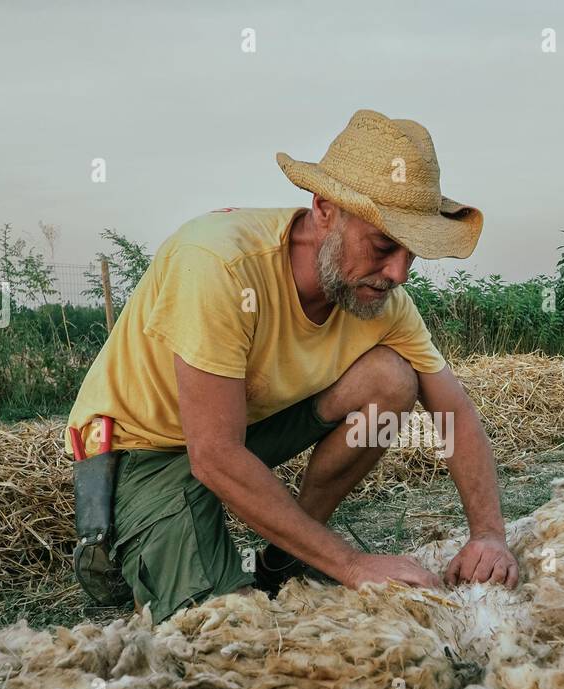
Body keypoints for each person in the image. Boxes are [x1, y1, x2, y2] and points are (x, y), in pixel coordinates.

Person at [67, 109, 519, 624]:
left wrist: (488, 535)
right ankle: (129, 545)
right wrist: (352, 565)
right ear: (325, 209)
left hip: (244, 430)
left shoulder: (378, 299)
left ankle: (288, 559)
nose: (398, 273)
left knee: (392, 379)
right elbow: (212, 455)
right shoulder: (217, 265)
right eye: (383, 246)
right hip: (146, 451)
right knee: (230, 632)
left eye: (411, 255)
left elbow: (452, 410)